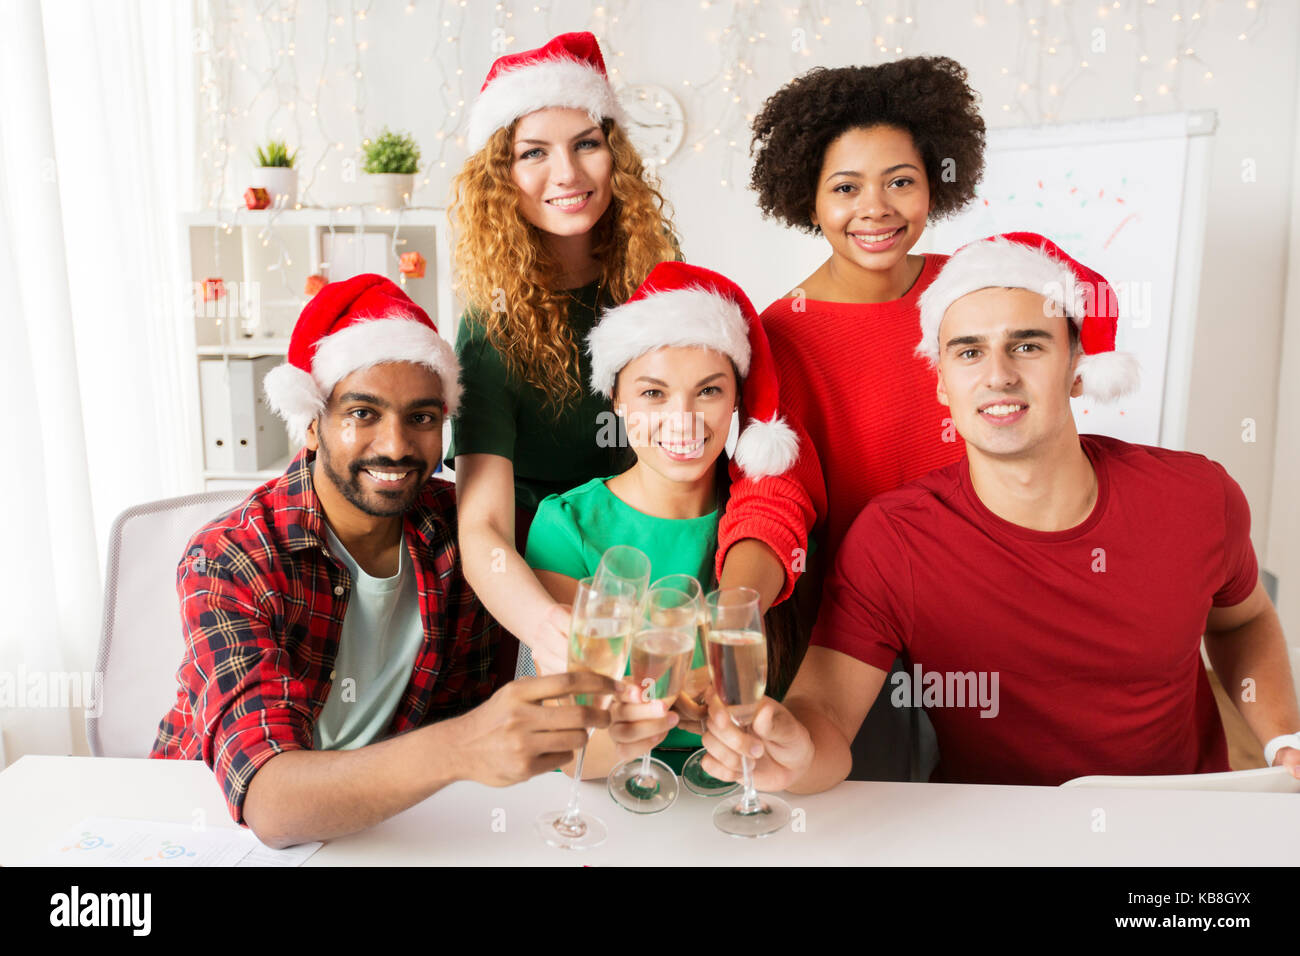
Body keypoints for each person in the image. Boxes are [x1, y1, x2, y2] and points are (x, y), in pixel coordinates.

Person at [697, 233, 1300, 790]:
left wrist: (1284, 740)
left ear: (1076, 369)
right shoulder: (893, 539)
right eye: (968, 353)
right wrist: (793, 755)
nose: (999, 376)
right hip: (990, 836)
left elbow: (1242, 621)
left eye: (1027, 345)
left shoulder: (1196, 495)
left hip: (1177, 827)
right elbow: (823, 714)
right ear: (940, 383)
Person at [152, 274, 617, 848]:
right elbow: (270, 802)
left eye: (421, 417)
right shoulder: (232, 556)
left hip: (391, 828)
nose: (396, 445)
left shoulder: (457, 537)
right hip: (211, 831)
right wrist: (464, 746)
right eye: (363, 414)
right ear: (312, 425)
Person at [712, 57, 987, 778]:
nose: (878, 208)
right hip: (865, 636)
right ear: (809, 197)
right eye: (846, 187)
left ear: (935, 182)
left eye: (901, 180)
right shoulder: (786, 332)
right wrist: (739, 601)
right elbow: (775, 494)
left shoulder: (970, 290)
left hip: (989, 607)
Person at [447, 31, 680, 679]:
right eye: (533, 153)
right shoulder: (490, 329)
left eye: (586, 144)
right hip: (550, 580)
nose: (568, 174)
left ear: (616, 156)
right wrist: (549, 628)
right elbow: (483, 529)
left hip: (668, 561)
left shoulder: (661, 288)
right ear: (501, 178)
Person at [523, 261, 798, 778]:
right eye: (653, 393)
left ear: (737, 400)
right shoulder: (566, 527)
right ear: (617, 402)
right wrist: (629, 734)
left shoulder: (766, 517)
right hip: (621, 798)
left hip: (750, 789)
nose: (684, 419)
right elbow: (571, 754)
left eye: (709, 391)